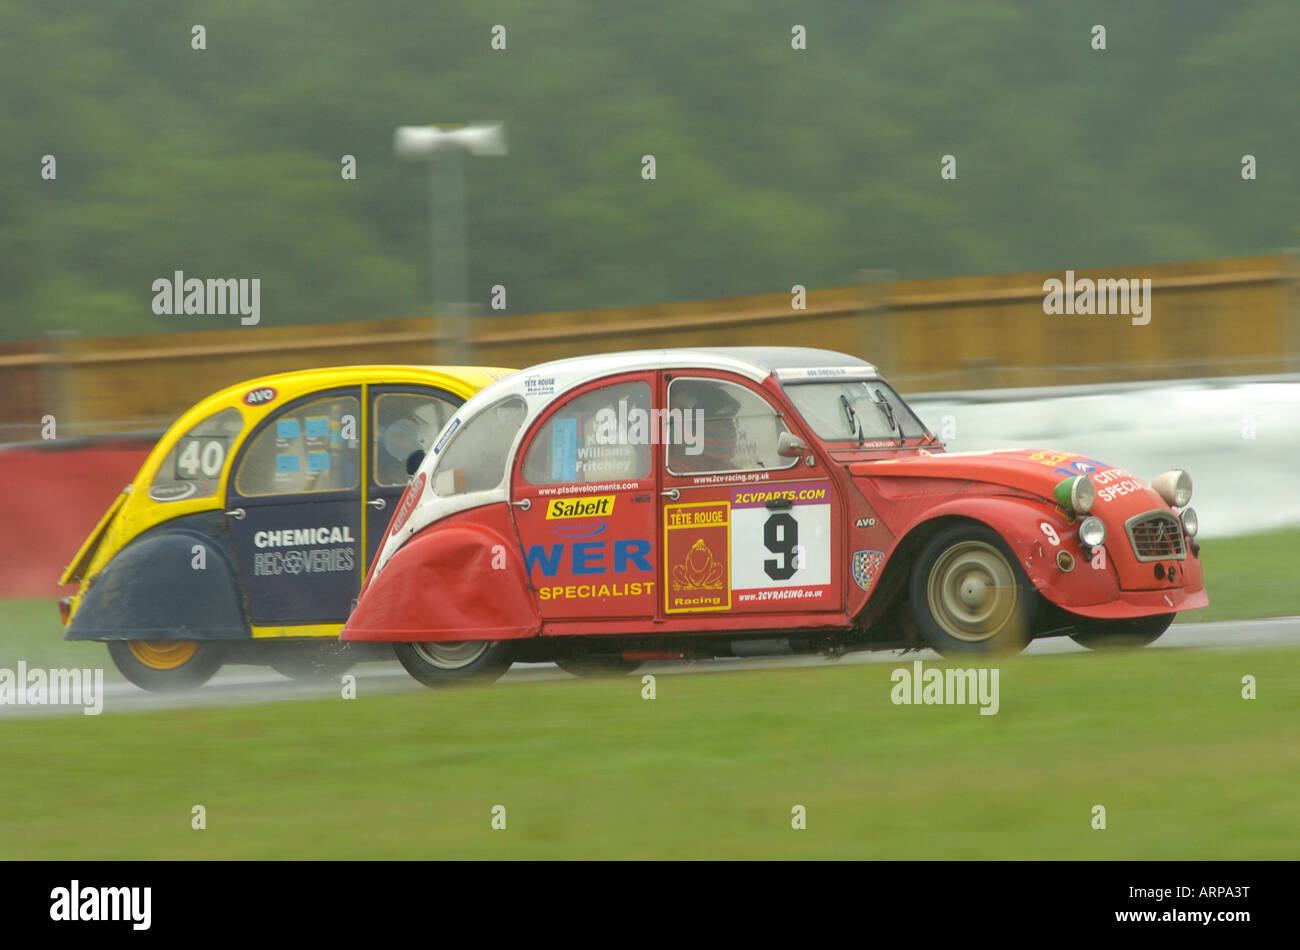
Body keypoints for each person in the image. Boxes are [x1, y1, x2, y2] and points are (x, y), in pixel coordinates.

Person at [668, 380, 741, 473]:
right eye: (716, 422)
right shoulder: (680, 469)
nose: (725, 426)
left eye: (727, 421)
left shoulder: (719, 466)